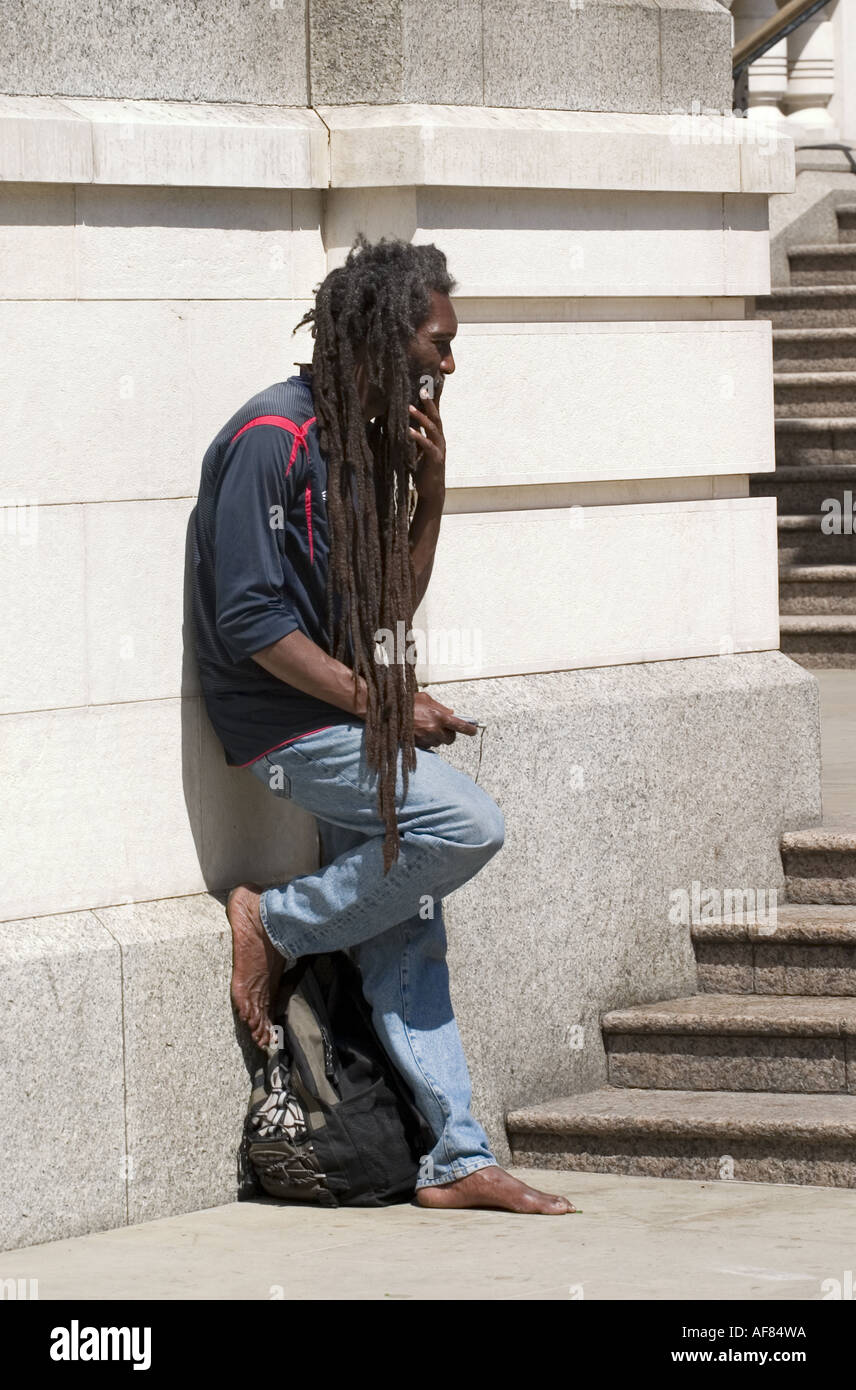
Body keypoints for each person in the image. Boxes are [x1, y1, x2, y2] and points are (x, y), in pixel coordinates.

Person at [191, 233, 575, 1215]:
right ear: (381, 336)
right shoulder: (269, 441)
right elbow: (254, 627)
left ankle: (453, 1154)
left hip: (344, 717)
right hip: (284, 731)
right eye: (437, 343)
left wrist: (430, 499)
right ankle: (272, 922)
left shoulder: (359, 445)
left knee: (408, 919)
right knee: (467, 824)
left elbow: (379, 622)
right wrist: (384, 707)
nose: (450, 363)